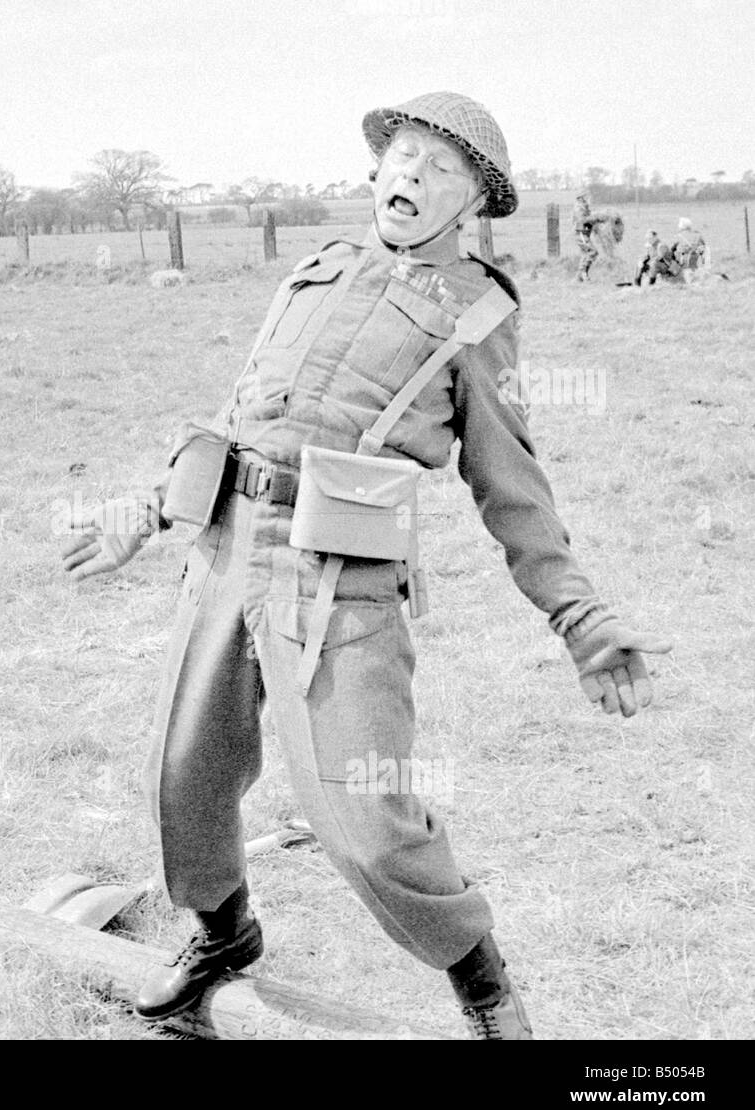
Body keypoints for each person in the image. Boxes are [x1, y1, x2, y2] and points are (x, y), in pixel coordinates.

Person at [60, 91, 672, 1040]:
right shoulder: (315, 271)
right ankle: (224, 935)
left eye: (444, 168)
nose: (416, 176)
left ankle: (486, 990)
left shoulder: (478, 314)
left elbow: (512, 485)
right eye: (406, 157)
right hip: (228, 550)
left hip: (339, 582)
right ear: (376, 173)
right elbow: (238, 416)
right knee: (180, 778)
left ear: (472, 203)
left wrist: (580, 620)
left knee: (368, 821)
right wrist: (147, 509)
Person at [573, 191, 599, 281]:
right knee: (592, 252)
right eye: (586, 196)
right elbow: (583, 220)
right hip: (581, 234)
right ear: (581, 197)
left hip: (584, 233)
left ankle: (579, 277)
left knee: (585, 254)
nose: (589, 198)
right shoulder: (579, 207)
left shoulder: (585, 207)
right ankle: (584, 273)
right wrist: (595, 218)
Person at [672, 218, 708, 283]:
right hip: (696, 260)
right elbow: (703, 247)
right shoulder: (698, 235)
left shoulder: (679, 236)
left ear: (682, 226)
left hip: (683, 261)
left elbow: (672, 250)